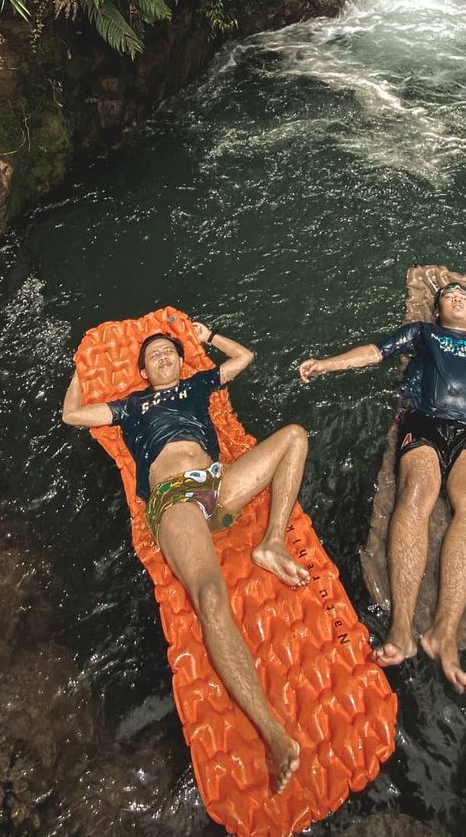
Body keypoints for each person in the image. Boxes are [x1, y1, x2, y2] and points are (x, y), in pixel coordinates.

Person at [63, 321, 308, 791]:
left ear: (180, 361)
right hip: (174, 500)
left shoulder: (197, 383)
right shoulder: (131, 406)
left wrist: (208, 335)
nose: (162, 357)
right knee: (211, 598)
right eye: (153, 354)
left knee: (295, 435)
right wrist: (80, 367)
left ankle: (271, 540)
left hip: (219, 484)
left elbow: (244, 360)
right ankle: (275, 735)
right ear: (142, 369)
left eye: (169, 352)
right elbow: (73, 415)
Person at [298, 281, 466, 696]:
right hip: (424, 423)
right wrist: (325, 364)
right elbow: (375, 352)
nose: (458, 295)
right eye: (449, 294)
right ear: (438, 309)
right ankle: (402, 629)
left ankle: (443, 634)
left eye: (463, 294)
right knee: (415, 496)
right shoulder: (423, 333)